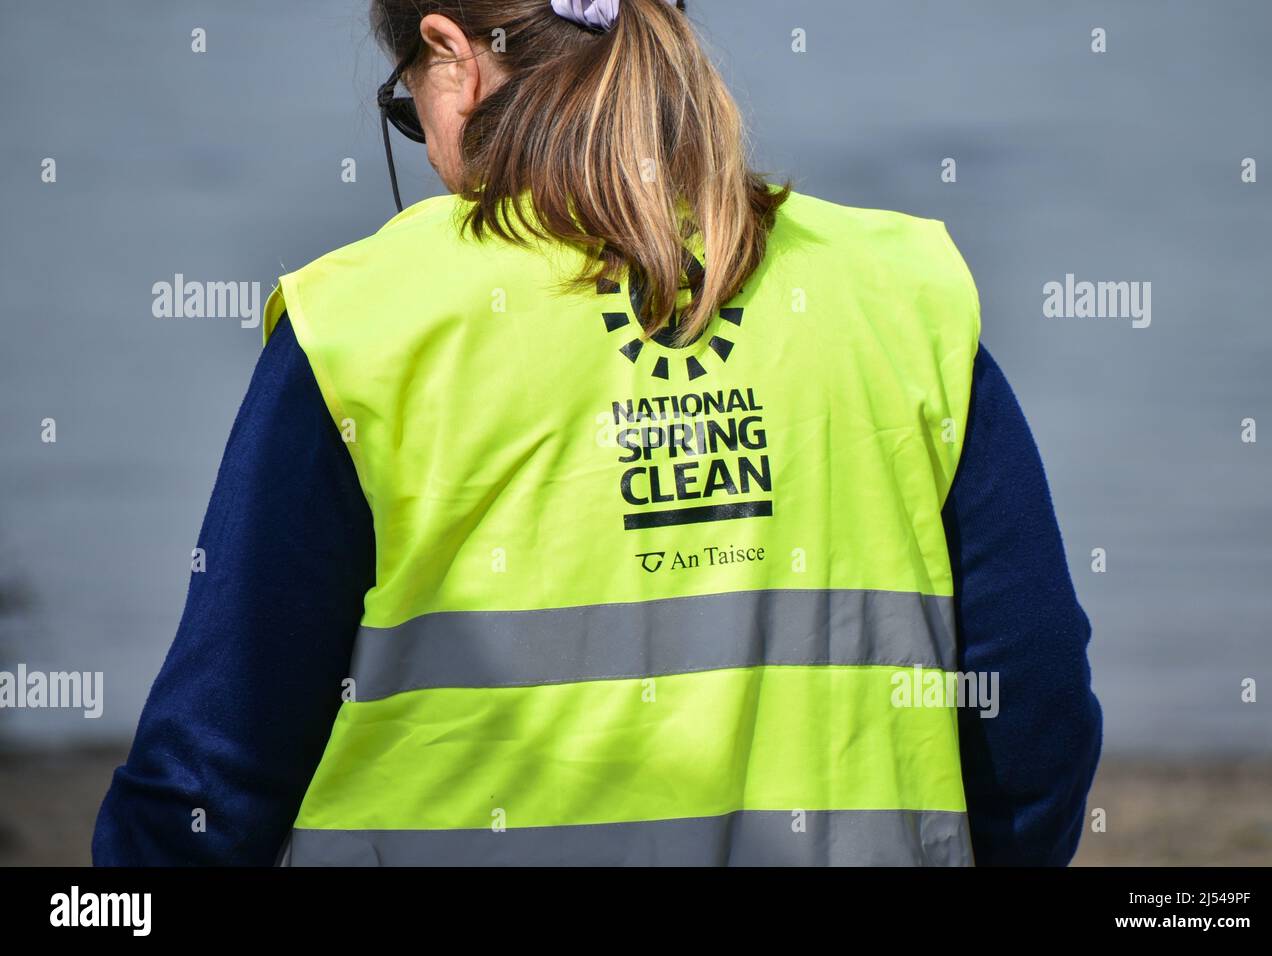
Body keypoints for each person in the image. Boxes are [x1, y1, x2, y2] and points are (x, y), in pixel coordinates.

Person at [93, 0, 1102, 866]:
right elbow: (1034, 703)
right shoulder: (893, 292)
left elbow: (212, 776)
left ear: (454, 57)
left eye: (411, 112)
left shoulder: (366, 326)